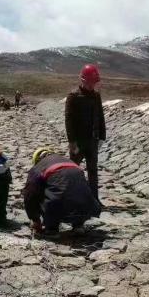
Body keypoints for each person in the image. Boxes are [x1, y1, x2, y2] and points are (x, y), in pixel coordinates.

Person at [23, 147, 101, 236]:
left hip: (58, 207)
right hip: (88, 207)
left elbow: (29, 195)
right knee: (74, 191)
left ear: (37, 160)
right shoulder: (69, 162)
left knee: (43, 193)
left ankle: (52, 229)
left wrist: (35, 219)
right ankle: (78, 225)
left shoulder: (38, 168)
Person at [65, 64, 106, 200]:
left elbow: (100, 116)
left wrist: (102, 137)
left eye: (93, 82)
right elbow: (69, 120)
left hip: (92, 140)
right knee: (72, 169)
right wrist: (72, 142)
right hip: (79, 141)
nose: (91, 85)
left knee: (93, 171)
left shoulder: (96, 96)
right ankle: (68, 198)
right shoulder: (73, 96)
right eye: (89, 82)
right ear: (82, 80)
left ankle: (94, 200)